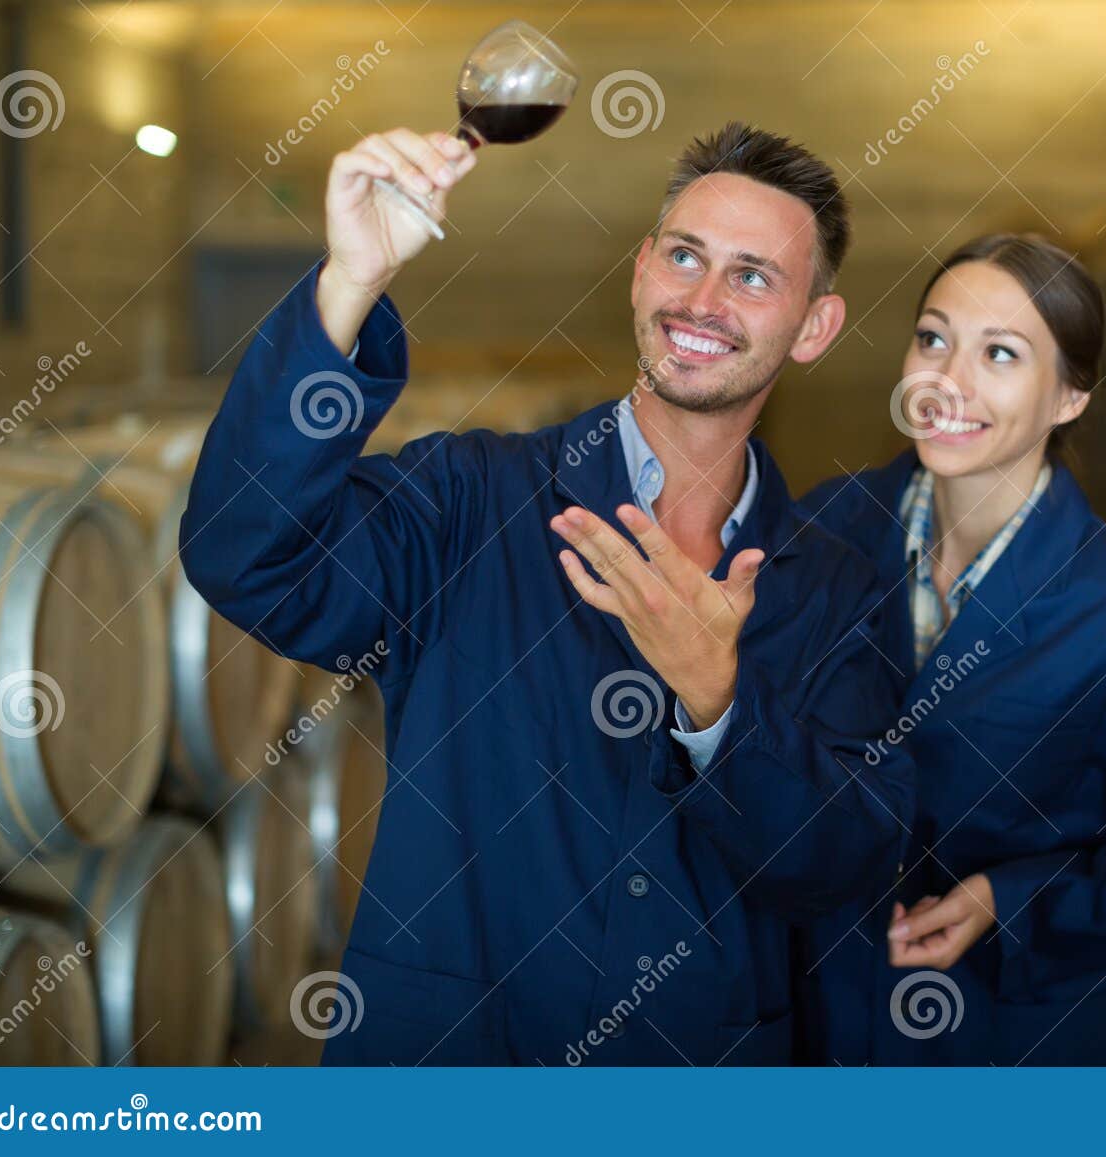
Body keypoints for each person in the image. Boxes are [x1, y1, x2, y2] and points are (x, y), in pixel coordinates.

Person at [178, 121, 914, 1065]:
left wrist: (720, 707)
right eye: (684, 256)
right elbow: (246, 551)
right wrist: (350, 283)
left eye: (753, 275)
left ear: (813, 327)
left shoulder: (839, 587)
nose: (702, 298)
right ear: (641, 270)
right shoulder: (471, 498)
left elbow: (846, 860)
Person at [793, 233, 1106, 1066]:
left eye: (1001, 353)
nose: (948, 380)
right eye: (933, 338)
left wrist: (1009, 901)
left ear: (1069, 399)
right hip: (829, 1013)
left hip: (1024, 1039)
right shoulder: (825, 529)